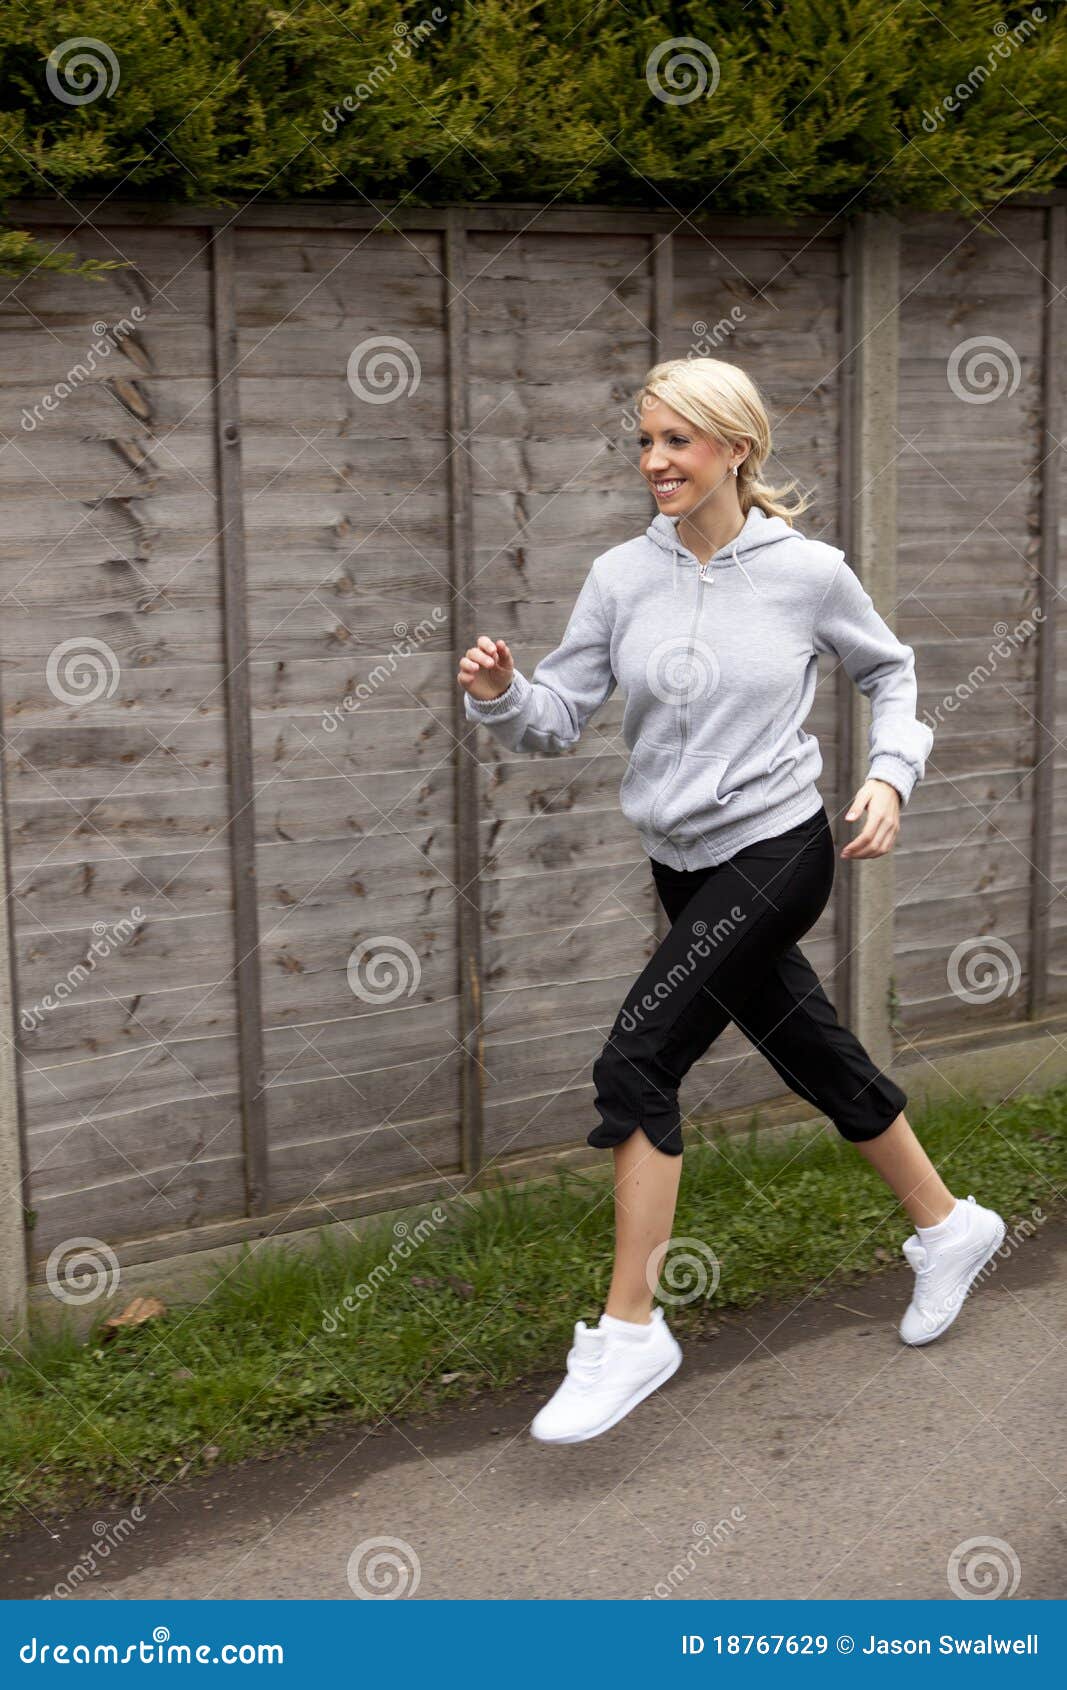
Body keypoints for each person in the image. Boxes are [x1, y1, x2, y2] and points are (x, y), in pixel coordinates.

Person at [457, 357, 1005, 1446]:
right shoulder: (620, 576)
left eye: (677, 441)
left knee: (637, 1060)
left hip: (777, 849)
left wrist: (889, 774)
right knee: (808, 1046)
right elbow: (556, 716)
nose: (654, 462)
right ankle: (948, 1226)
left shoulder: (806, 573)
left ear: (734, 447)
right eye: (644, 441)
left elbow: (890, 673)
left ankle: (630, 1330)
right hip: (681, 865)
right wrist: (503, 693)